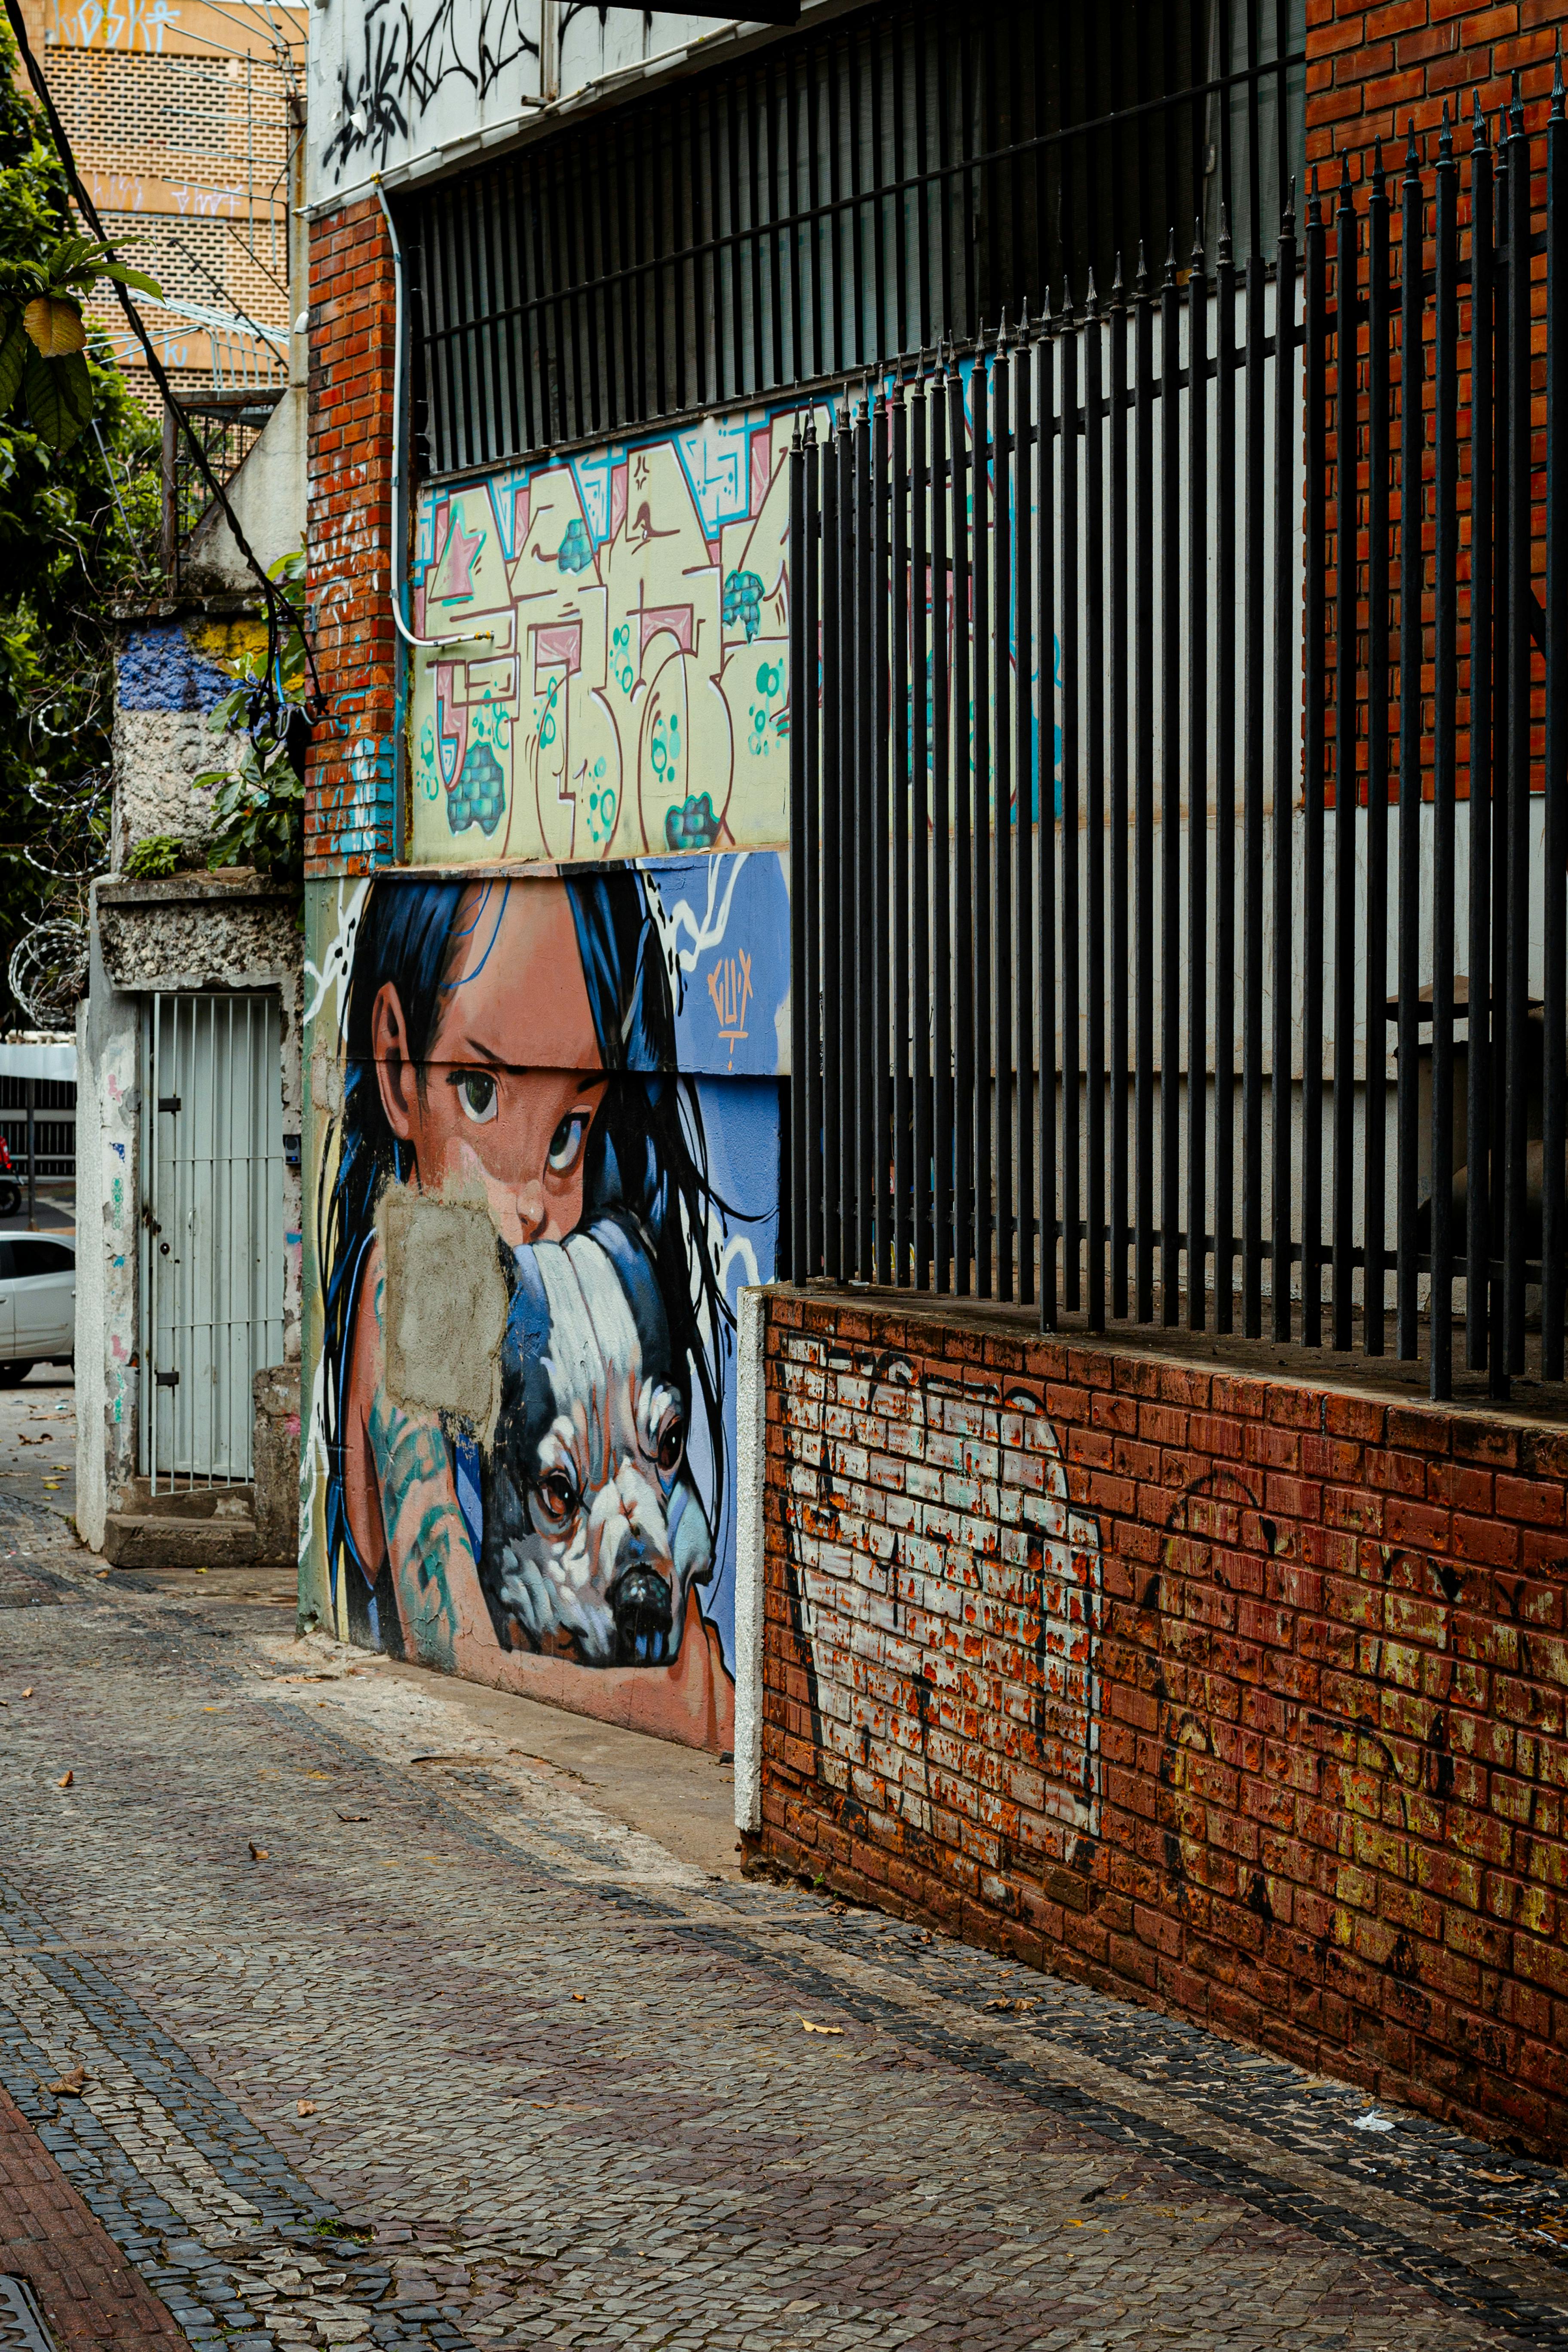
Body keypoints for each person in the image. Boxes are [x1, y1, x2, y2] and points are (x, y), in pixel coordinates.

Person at [318, 870, 735, 1749]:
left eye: (567, 1133)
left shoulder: (565, 1279)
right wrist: (678, 1711)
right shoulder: (423, 1262)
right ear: (397, 1065)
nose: (533, 1204)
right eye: (479, 1092)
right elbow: (448, 1639)